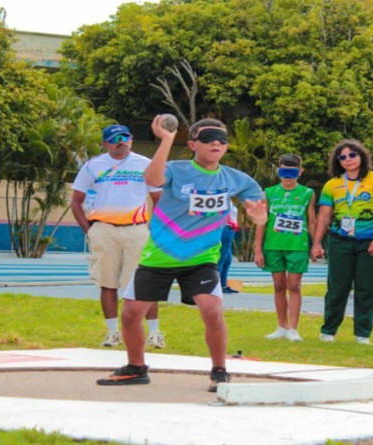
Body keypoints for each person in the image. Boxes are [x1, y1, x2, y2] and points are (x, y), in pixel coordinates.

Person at [96, 117, 267, 392]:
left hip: (201, 258)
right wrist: (166, 140)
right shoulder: (176, 169)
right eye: (208, 137)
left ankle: (219, 370)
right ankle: (136, 368)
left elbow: (258, 213)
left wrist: (258, 216)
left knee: (212, 310)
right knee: (130, 314)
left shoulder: (237, 179)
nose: (216, 143)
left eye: (221, 139)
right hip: (160, 255)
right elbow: (151, 179)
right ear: (192, 144)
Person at [71, 124, 165, 349]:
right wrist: (90, 230)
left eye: (125, 137)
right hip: (103, 230)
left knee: (143, 284)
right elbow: (76, 201)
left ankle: (154, 332)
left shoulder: (145, 164)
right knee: (107, 283)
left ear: (131, 139)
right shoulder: (93, 166)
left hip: (137, 229)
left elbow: (159, 199)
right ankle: (112, 333)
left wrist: (153, 228)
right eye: (114, 139)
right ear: (105, 144)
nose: (120, 142)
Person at [311, 140, 373, 345]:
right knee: (337, 287)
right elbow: (323, 217)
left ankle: (362, 333)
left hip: (369, 242)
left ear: (362, 156)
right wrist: (317, 243)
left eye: (352, 155)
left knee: (367, 287)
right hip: (340, 241)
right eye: (343, 157)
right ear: (338, 161)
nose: (348, 160)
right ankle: (328, 330)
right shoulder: (333, 184)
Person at [254, 154, 316, 342]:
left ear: (300, 172)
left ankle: (293, 329)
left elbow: (311, 220)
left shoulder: (307, 193)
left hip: (297, 246)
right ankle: (281, 326)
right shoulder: (269, 193)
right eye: (284, 171)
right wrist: (258, 249)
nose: (288, 175)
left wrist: (317, 244)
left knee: (294, 285)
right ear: (279, 171)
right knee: (279, 285)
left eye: (292, 171)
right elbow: (261, 222)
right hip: (273, 245)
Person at [218, 202, 239, 293]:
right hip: (225, 227)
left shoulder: (229, 200)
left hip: (231, 229)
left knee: (227, 259)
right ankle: (217, 285)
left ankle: (223, 284)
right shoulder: (222, 198)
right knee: (221, 258)